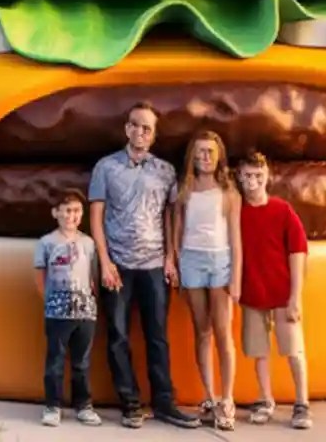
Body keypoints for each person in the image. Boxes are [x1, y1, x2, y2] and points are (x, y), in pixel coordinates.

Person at [88, 102, 201, 429]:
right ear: (127, 129)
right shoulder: (105, 168)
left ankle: (165, 402)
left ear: (154, 135)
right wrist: (105, 262)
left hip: (154, 264)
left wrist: (170, 257)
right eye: (135, 125)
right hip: (118, 264)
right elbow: (96, 216)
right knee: (119, 335)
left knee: (157, 336)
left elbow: (169, 217)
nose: (140, 132)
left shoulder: (164, 171)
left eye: (147, 128)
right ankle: (131, 403)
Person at [236, 150, 313, 431]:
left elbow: (298, 250)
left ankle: (302, 401)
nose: (253, 181)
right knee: (259, 350)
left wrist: (296, 296)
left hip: (282, 293)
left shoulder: (282, 210)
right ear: (239, 177)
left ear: (267, 176)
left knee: (293, 349)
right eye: (247, 175)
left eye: (258, 175)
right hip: (253, 293)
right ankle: (265, 398)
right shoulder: (238, 213)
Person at [172, 129, 243, 431]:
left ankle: (227, 399)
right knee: (201, 331)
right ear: (192, 156)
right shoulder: (184, 190)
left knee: (223, 332)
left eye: (210, 152)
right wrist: (174, 262)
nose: (205, 157)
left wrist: (236, 277)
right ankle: (209, 397)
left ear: (218, 156)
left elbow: (236, 238)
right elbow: (176, 230)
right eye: (199, 152)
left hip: (220, 261)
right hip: (192, 261)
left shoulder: (228, 192)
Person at [33, 188, 103, 427]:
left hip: (84, 310)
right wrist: (48, 301)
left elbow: (92, 275)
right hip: (57, 309)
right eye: (66, 210)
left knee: (81, 361)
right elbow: (40, 275)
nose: (71, 216)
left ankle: (83, 405)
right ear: (56, 213)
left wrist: (93, 300)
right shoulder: (46, 243)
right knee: (55, 360)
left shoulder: (89, 243)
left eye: (76, 211)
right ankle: (53, 405)